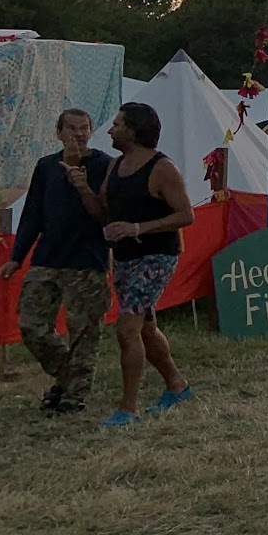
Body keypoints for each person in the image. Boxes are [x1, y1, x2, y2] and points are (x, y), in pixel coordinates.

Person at [81, 101, 196, 428]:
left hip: (156, 256)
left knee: (127, 328)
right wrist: (80, 187)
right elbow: (101, 211)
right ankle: (177, 386)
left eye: (116, 124)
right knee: (145, 327)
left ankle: (128, 408)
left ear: (133, 130)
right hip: (126, 258)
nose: (110, 130)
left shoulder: (163, 168)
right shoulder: (116, 167)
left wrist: (137, 228)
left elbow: (186, 215)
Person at [0, 109, 114, 415]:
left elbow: (106, 214)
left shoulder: (103, 165)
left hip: (87, 261)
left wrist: (82, 184)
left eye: (84, 128)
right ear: (58, 132)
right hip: (47, 258)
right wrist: (16, 257)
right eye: (72, 128)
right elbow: (33, 213)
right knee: (31, 324)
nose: (78, 134)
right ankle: (67, 376)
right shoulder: (47, 166)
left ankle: (75, 397)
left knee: (84, 333)